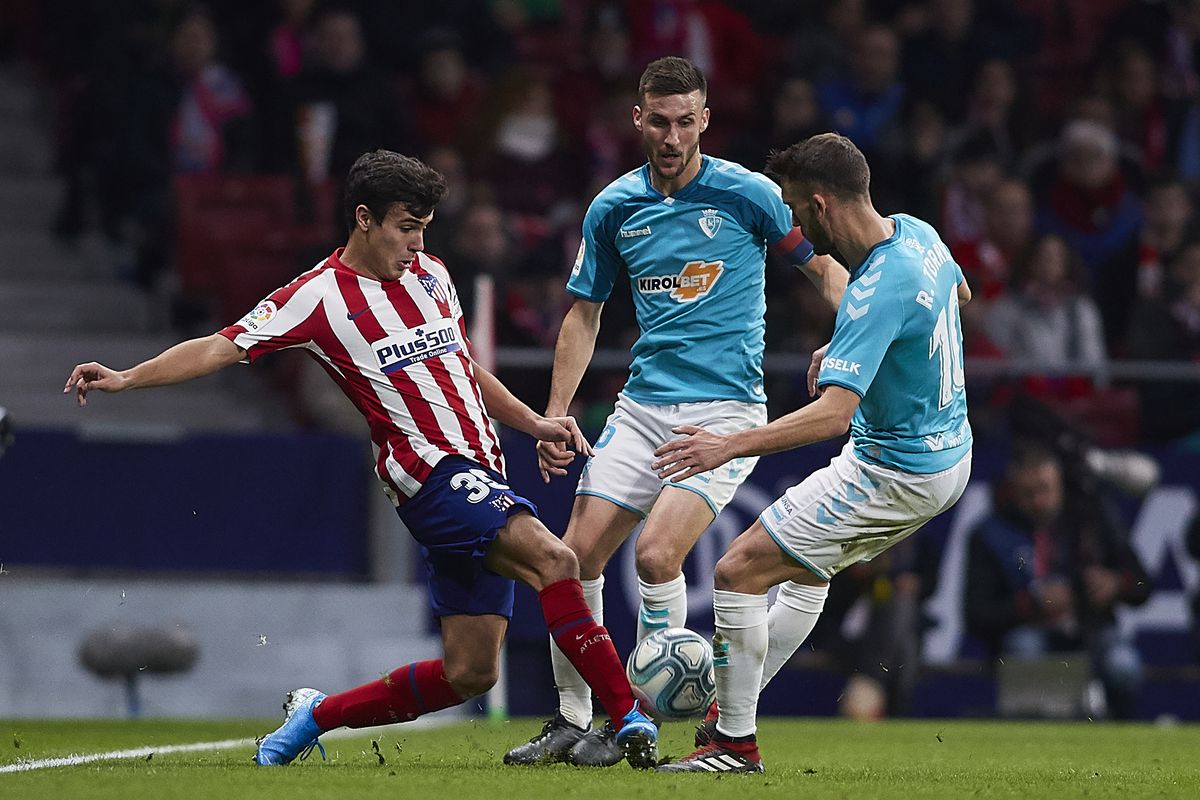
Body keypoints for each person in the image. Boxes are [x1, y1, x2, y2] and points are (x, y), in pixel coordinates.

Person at [63, 150, 660, 770]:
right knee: (556, 557)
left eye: (425, 227)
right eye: (406, 226)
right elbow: (220, 348)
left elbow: (462, 367)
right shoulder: (317, 296)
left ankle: (315, 716)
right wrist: (128, 377)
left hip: (483, 470)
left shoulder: (432, 274)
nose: (417, 242)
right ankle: (627, 718)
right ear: (364, 219)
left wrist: (533, 421)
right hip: (429, 477)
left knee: (471, 671)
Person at [503, 57, 846, 768]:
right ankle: (573, 718)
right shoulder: (614, 207)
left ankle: (641, 720)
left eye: (686, 121)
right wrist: (558, 410)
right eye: (659, 121)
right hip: (642, 408)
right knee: (571, 556)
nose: (672, 135)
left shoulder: (749, 195)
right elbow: (583, 314)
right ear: (638, 119)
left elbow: (825, 270)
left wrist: (850, 343)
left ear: (705, 120)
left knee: (658, 553)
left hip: (725, 412)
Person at [652, 133, 974, 773]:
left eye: (797, 209)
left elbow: (833, 414)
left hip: (894, 470)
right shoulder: (919, 235)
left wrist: (727, 445)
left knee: (738, 570)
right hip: (946, 455)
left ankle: (732, 744)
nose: (793, 223)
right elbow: (957, 297)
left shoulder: (875, 287)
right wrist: (865, 346)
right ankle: (727, 709)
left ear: (822, 204)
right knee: (804, 570)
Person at [965, 442, 1151, 719]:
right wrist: (1033, 604)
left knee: (1123, 665)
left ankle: (1126, 733)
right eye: (1027, 494)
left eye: (1044, 490)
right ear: (1012, 490)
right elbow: (976, 614)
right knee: (1023, 649)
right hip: (1027, 631)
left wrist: (1115, 584)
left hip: (1092, 628)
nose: (1038, 501)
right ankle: (1030, 740)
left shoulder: (1093, 520)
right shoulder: (991, 534)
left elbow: (1142, 585)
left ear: (1060, 483)